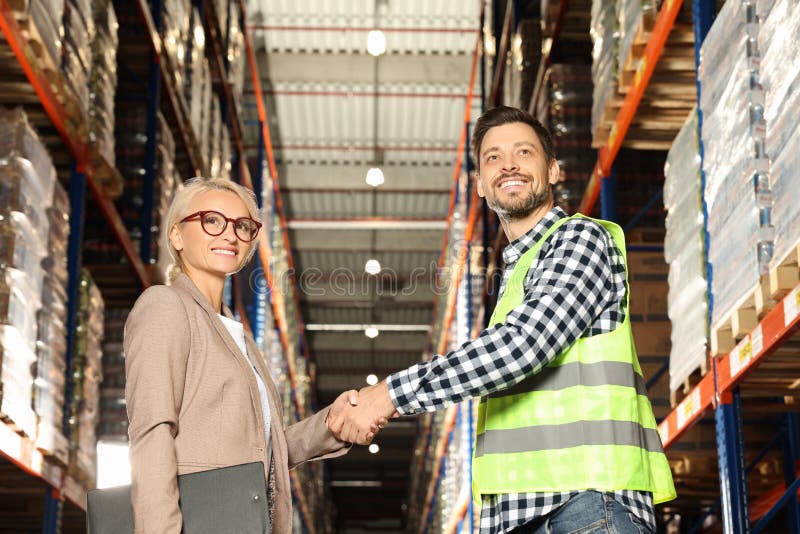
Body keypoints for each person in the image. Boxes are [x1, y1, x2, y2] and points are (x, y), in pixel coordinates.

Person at [330, 106, 676, 533]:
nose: (508, 164)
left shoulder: (581, 239)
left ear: (552, 171)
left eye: (523, 152)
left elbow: (524, 345)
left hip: (587, 505)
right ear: (479, 184)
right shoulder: (517, 276)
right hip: (529, 517)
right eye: (493, 157)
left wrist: (387, 395)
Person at [124, 177, 385, 533]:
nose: (229, 235)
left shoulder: (241, 340)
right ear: (176, 236)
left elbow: (262, 453)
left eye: (242, 226)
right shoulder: (165, 306)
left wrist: (330, 424)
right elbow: (151, 432)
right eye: (212, 220)